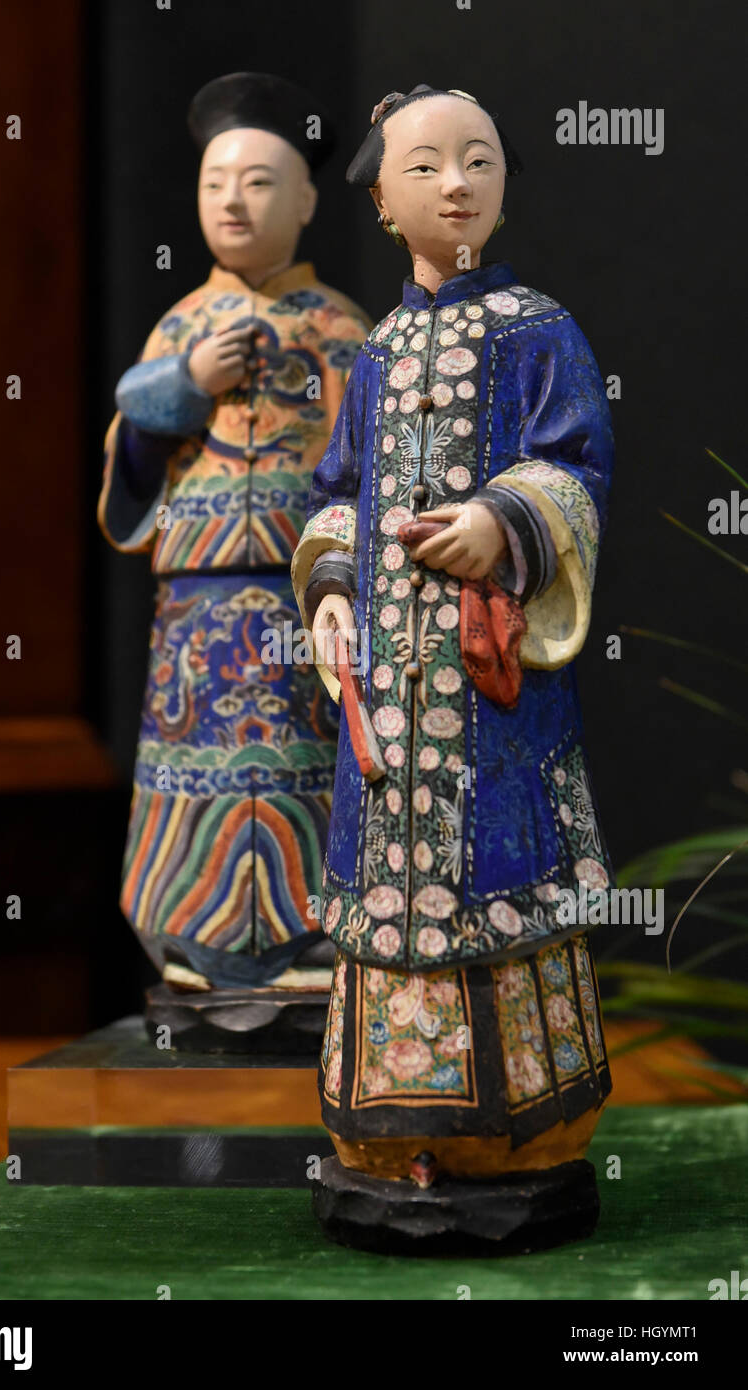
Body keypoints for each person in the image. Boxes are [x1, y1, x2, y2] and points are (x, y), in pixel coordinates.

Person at [291, 85, 614, 1186]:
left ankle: (526, 1124)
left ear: (507, 186)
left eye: (478, 160)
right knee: (388, 873)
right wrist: (332, 591)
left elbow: (576, 466)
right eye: (425, 167)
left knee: (504, 865)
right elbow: (337, 491)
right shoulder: (375, 355)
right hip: (385, 687)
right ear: (382, 199)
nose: (457, 183)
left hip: (491, 689)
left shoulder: (542, 332)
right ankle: (385, 1129)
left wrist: (501, 520)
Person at [99, 73, 370, 998]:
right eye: (217, 182)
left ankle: (317, 940)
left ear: (304, 198)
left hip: (310, 599)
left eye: (259, 181)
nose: (233, 200)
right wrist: (186, 381)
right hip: (198, 602)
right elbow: (131, 452)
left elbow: (372, 467)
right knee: (193, 768)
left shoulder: (341, 329)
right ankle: (192, 941)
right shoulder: (181, 324)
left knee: (311, 763)